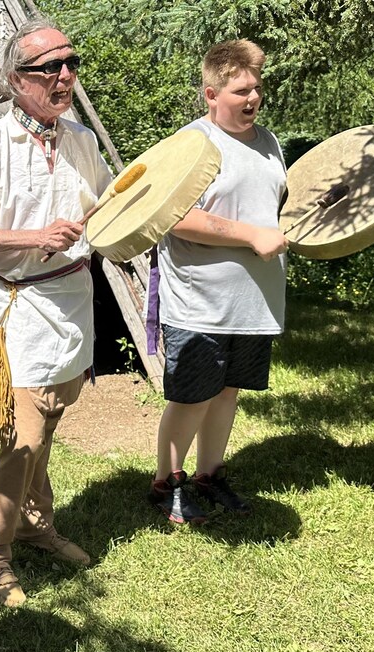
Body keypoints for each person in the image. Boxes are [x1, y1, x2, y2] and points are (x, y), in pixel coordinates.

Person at [0, 19, 113, 607]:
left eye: (71, 63)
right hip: (19, 307)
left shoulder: (81, 140)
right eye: (49, 68)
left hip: (71, 301)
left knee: (51, 421)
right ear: (17, 81)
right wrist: (33, 236)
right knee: (22, 439)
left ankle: (36, 523)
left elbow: (107, 210)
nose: (65, 77)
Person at [149, 39, 288, 523]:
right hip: (200, 300)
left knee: (227, 392)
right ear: (211, 94)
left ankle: (210, 475)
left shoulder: (268, 143)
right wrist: (250, 235)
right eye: (239, 91)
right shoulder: (190, 146)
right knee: (192, 397)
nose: (252, 100)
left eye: (256, 89)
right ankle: (167, 484)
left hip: (254, 299)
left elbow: (276, 209)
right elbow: (171, 217)